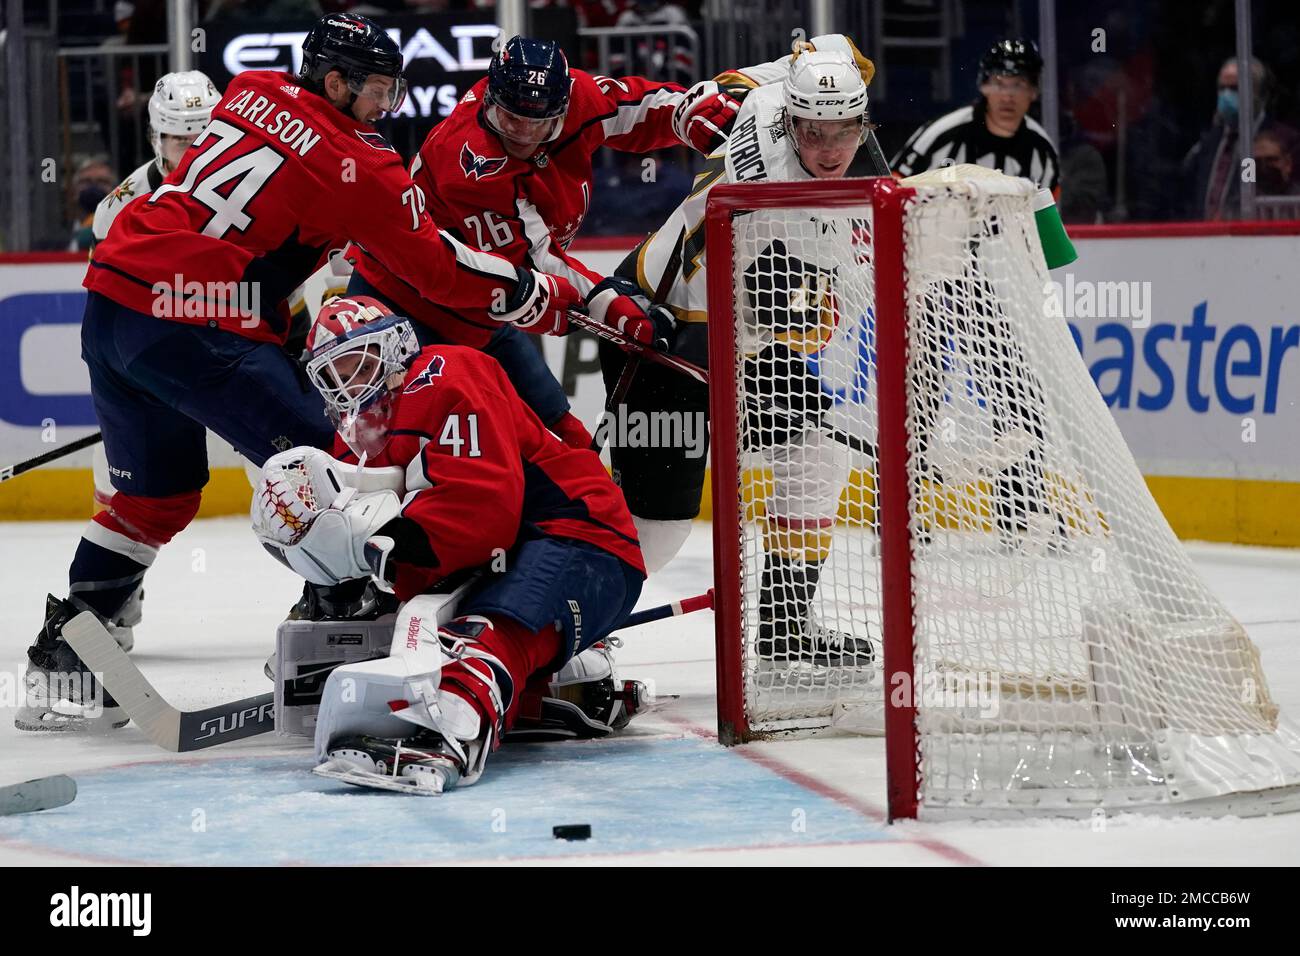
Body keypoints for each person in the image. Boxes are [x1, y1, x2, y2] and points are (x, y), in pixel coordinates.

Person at [16, 14, 582, 734]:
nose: (387, 105)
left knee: (151, 502)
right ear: (337, 81)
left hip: (114, 306)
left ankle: (68, 672)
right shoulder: (362, 162)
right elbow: (437, 269)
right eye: (377, 89)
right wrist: (537, 288)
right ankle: (334, 632)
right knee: (341, 469)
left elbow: (253, 219)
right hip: (198, 324)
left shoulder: (250, 89)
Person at [252, 295, 647, 793]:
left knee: (483, 633)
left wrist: (375, 554)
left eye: (358, 362)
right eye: (334, 374)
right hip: (508, 554)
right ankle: (569, 684)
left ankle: (447, 733)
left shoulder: (449, 372)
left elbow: (483, 511)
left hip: (582, 538)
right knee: (425, 638)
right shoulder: (356, 438)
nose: (348, 383)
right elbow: (406, 540)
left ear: (395, 350)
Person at [598, 41, 878, 666]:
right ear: (791, 124)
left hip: (729, 327)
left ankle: (784, 632)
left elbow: (827, 51)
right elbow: (788, 321)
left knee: (814, 460)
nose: (830, 151)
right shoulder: (781, 208)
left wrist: (814, 66)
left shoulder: (773, 98)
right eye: (816, 134)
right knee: (659, 529)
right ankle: (555, 626)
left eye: (844, 131)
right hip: (659, 332)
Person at [345, 34, 742, 447]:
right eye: (511, 118)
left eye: (541, 122)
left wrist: (685, 110)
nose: (524, 133)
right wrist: (610, 302)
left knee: (566, 443)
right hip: (402, 306)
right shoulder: (468, 162)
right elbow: (535, 261)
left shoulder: (578, 97)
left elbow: (637, 110)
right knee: (405, 446)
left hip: (484, 310)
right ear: (489, 99)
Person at [893, 38, 1060, 194]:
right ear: (983, 86)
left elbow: (1047, 216)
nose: (1007, 96)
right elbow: (892, 185)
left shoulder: (1042, 151)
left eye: (1018, 85)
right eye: (999, 84)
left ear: (1034, 91)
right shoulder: (943, 134)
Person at [1182, 56, 1272, 220]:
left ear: (1256, 92)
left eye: (1234, 89)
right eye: (1222, 89)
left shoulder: (1276, 142)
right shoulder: (1208, 143)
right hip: (1206, 239)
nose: (1226, 95)